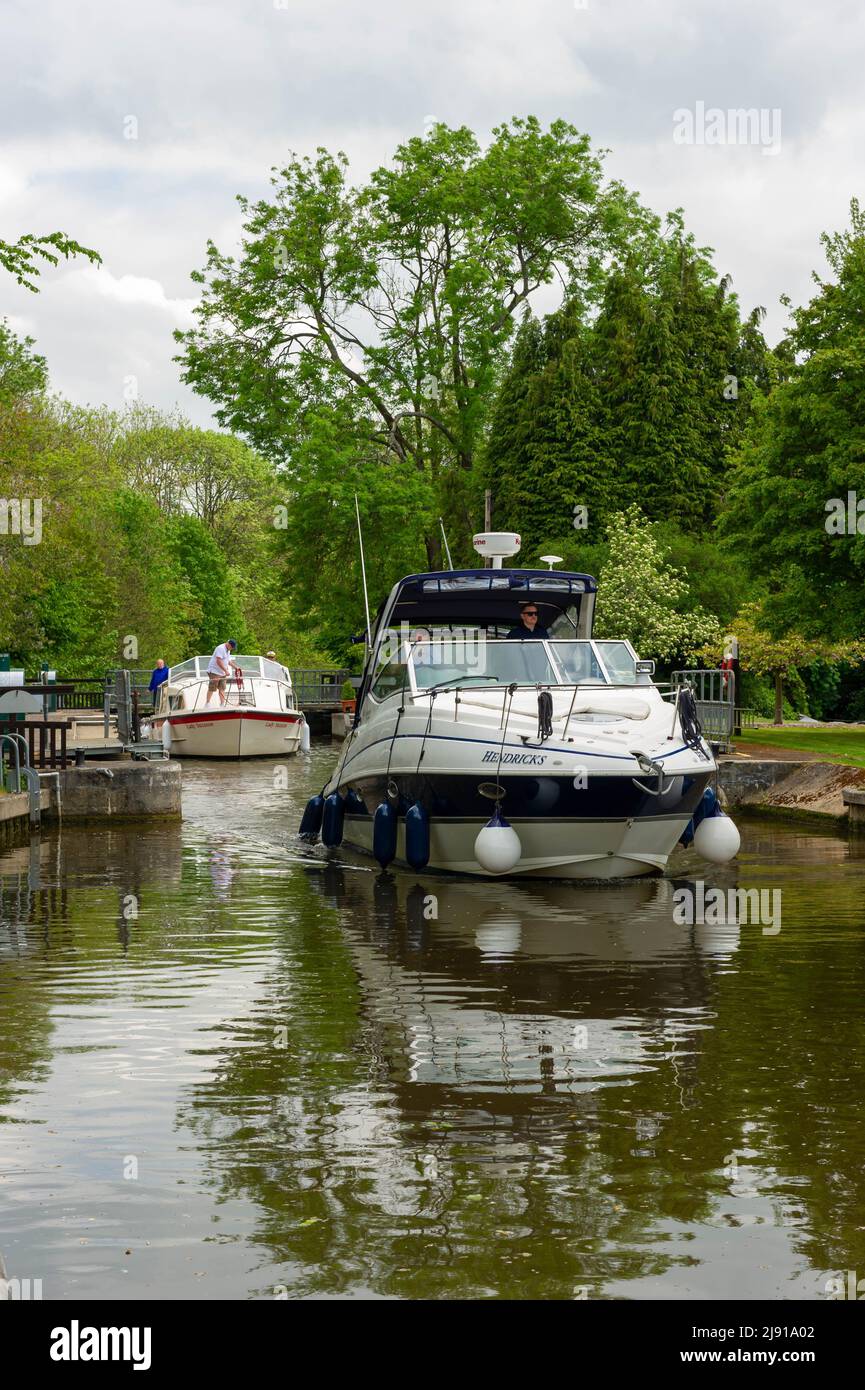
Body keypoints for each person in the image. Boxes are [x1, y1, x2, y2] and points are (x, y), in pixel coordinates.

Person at [206, 639, 238, 704]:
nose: (232, 649)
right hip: (214, 671)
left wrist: (236, 668)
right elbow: (218, 661)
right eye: (231, 647)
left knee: (222, 688)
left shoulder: (228, 650)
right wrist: (226, 670)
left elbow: (228, 661)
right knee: (212, 687)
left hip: (222, 672)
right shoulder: (220, 648)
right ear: (228, 644)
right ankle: (207, 703)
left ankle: (222, 704)